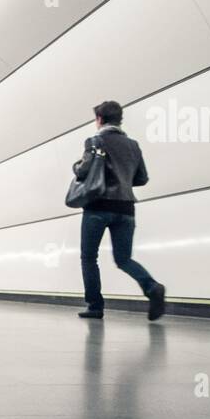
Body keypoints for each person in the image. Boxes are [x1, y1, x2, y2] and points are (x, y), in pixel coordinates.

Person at [72, 101, 166, 321]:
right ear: (119, 119)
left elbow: (84, 170)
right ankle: (152, 287)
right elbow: (142, 178)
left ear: (100, 119)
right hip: (126, 208)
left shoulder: (95, 141)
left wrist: (76, 167)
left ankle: (95, 306)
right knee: (123, 259)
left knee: (88, 257)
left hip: (98, 206)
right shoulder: (133, 145)